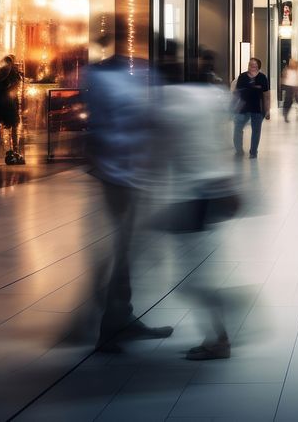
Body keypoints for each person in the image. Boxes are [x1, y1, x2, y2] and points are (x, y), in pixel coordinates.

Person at [82, 35, 173, 352]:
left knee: (126, 251)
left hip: (129, 174)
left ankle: (120, 317)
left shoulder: (132, 75)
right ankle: (111, 325)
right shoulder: (108, 77)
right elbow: (116, 125)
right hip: (122, 177)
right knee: (123, 250)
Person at [152, 54, 238, 360]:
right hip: (211, 190)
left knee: (192, 278)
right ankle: (220, 333)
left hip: (191, 195)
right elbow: (220, 143)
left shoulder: (171, 101)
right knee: (197, 270)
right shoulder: (211, 97)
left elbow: (162, 149)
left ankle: (221, 336)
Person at [233, 57, 270, 158]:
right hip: (243, 109)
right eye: (250, 65)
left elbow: (266, 95)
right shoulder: (242, 77)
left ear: (258, 67)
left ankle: (253, 152)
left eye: (254, 65)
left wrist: (267, 110)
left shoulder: (262, 78)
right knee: (237, 129)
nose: (252, 67)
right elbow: (237, 93)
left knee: (256, 131)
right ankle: (239, 150)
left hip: (258, 109)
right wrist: (233, 106)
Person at [0, 55, 22, 158]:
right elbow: (14, 86)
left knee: (2, 124)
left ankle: (10, 149)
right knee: (12, 125)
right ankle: (14, 149)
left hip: (1, 101)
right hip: (8, 102)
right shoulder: (11, 72)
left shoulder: (1, 72)